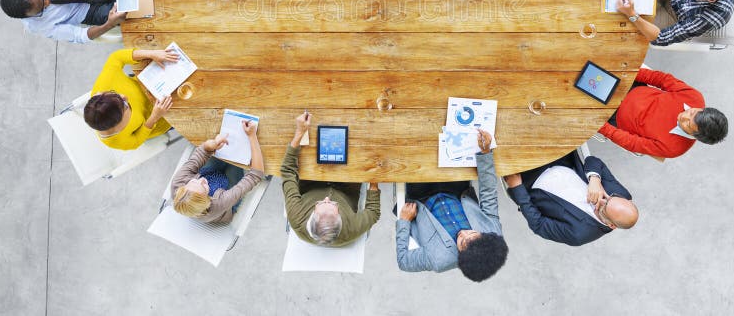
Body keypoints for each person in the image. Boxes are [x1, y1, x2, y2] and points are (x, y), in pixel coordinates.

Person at [396, 129, 508, 281]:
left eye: (461, 242)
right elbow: (488, 192)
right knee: (447, 138)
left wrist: (404, 221)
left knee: (412, 144)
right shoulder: (493, 233)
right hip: (456, 189)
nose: (463, 233)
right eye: (472, 233)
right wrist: (486, 153)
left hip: (421, 198)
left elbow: (403, 261)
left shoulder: (438, 260)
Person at [281, 112, 380, 246]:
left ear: (313, 213)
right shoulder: (351, 229)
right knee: (361, 129)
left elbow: (287, 171)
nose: (328, 199)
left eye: (321, 203)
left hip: (312, 179)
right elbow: (373, 212)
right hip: (348, 181)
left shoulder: (297, 217)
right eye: (334, 205)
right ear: (340, 219)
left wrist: (299, 132)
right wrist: (373, 178)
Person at [504, 149, 638, 246]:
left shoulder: (579, 234)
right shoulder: (621, 195)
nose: (603, 199)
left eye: (604, 206)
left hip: (528, 178)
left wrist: (517, 188)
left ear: (611, 225)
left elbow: (539, 225)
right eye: (610, 197)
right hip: (560, 156)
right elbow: (594, 161)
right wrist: (595, 179)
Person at [599, 67, 728, 158]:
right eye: (691, 112)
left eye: (688, 125)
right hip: (631, 86)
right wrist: (627, 73)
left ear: (695, 136)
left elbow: (632, 142)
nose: (683, 116)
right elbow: (660, 79)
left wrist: (599, 125)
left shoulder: (674, 148)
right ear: (701, 109)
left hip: (612, 115)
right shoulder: (694, 97)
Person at [84, 48, 178, 150]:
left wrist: (151, 53)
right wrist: (154, 117)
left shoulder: (104, 83)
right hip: (164, 117)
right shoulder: (115, 141)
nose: (125, 96)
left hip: (150, 81)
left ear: (100, 94)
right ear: (119, 124)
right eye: (125, 105)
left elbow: (116, 58)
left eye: (115, 94)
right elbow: (136, 141)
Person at [171, 122, 266, 224]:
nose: (202, 180)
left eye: (193, 182)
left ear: (183, 187)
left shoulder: (178, 182)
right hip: (225, 199)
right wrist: (252, 136)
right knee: (238, 161)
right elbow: (255, 175)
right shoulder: (218, 204)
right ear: (208, 200)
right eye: (203, 186)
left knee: (225, 151)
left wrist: (209, 146)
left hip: (211, 176)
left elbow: (200, 153)